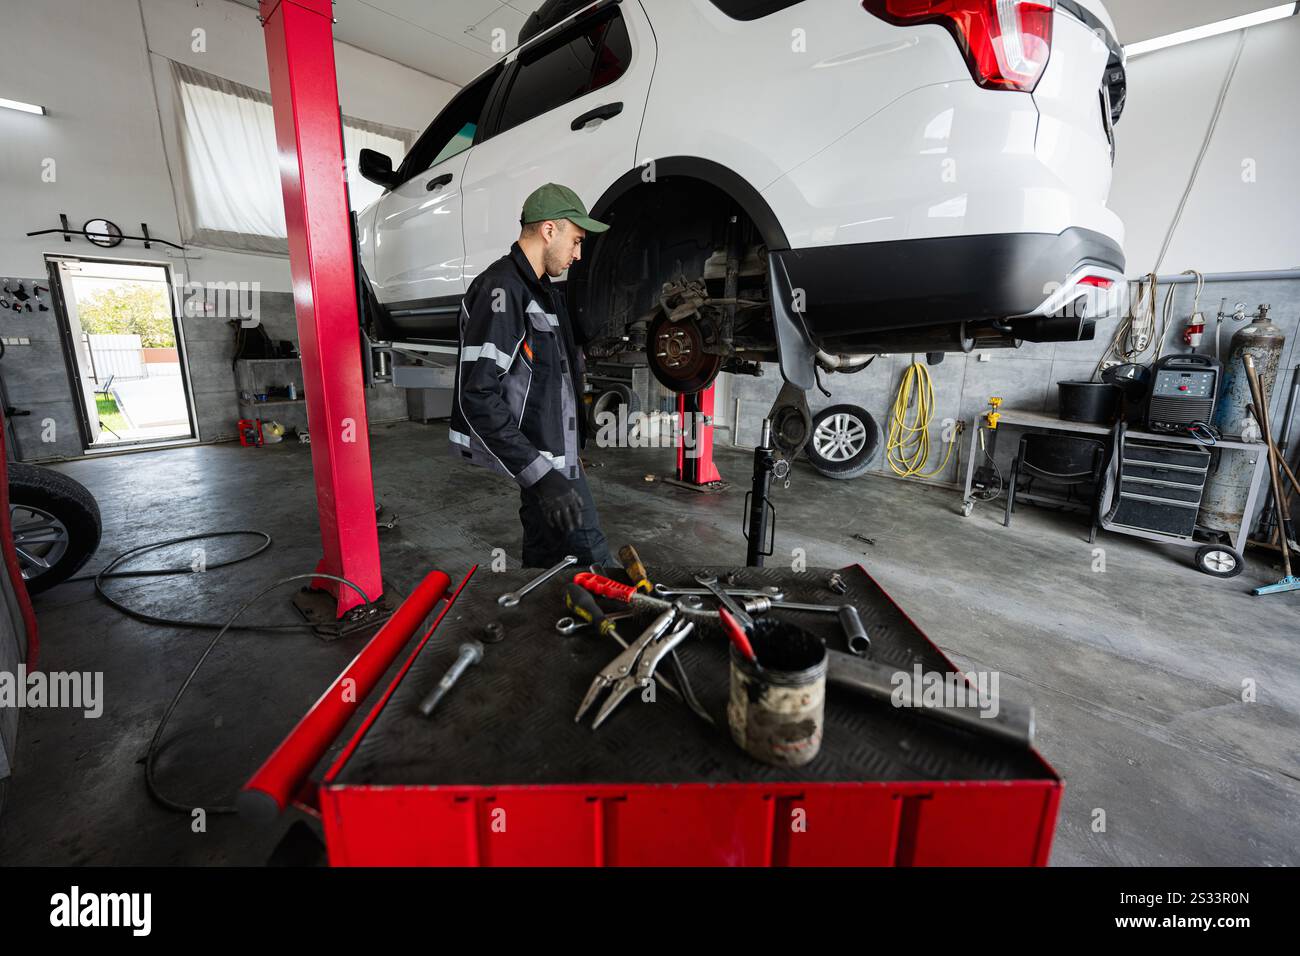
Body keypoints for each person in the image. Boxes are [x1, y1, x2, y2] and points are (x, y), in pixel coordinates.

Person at [448, 183, 613, 568]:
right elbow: (476, 395)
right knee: (595, 569)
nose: (578, 254)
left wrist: (571, 445)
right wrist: (543, 477)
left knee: (544, 565)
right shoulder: (501, 290)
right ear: (549, 230)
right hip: (545, 468)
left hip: (554, 458)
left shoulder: (541, 290)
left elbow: (552, 381)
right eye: (575, 241)